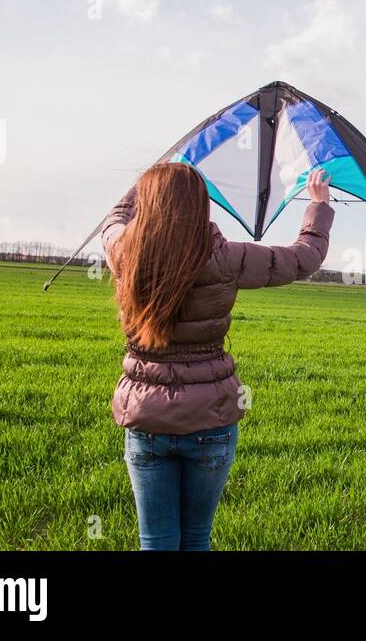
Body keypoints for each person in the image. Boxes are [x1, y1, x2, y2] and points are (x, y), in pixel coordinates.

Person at [101, 163, 334, 550]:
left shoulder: (125, 250)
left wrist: (140, 183)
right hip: (211, 422)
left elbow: (114, 219)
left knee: (155, 542)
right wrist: (318, 206)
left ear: (148, 202)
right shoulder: (226, 257)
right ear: (202, 205)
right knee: (196, 539)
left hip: (146, 420)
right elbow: (302, 258)